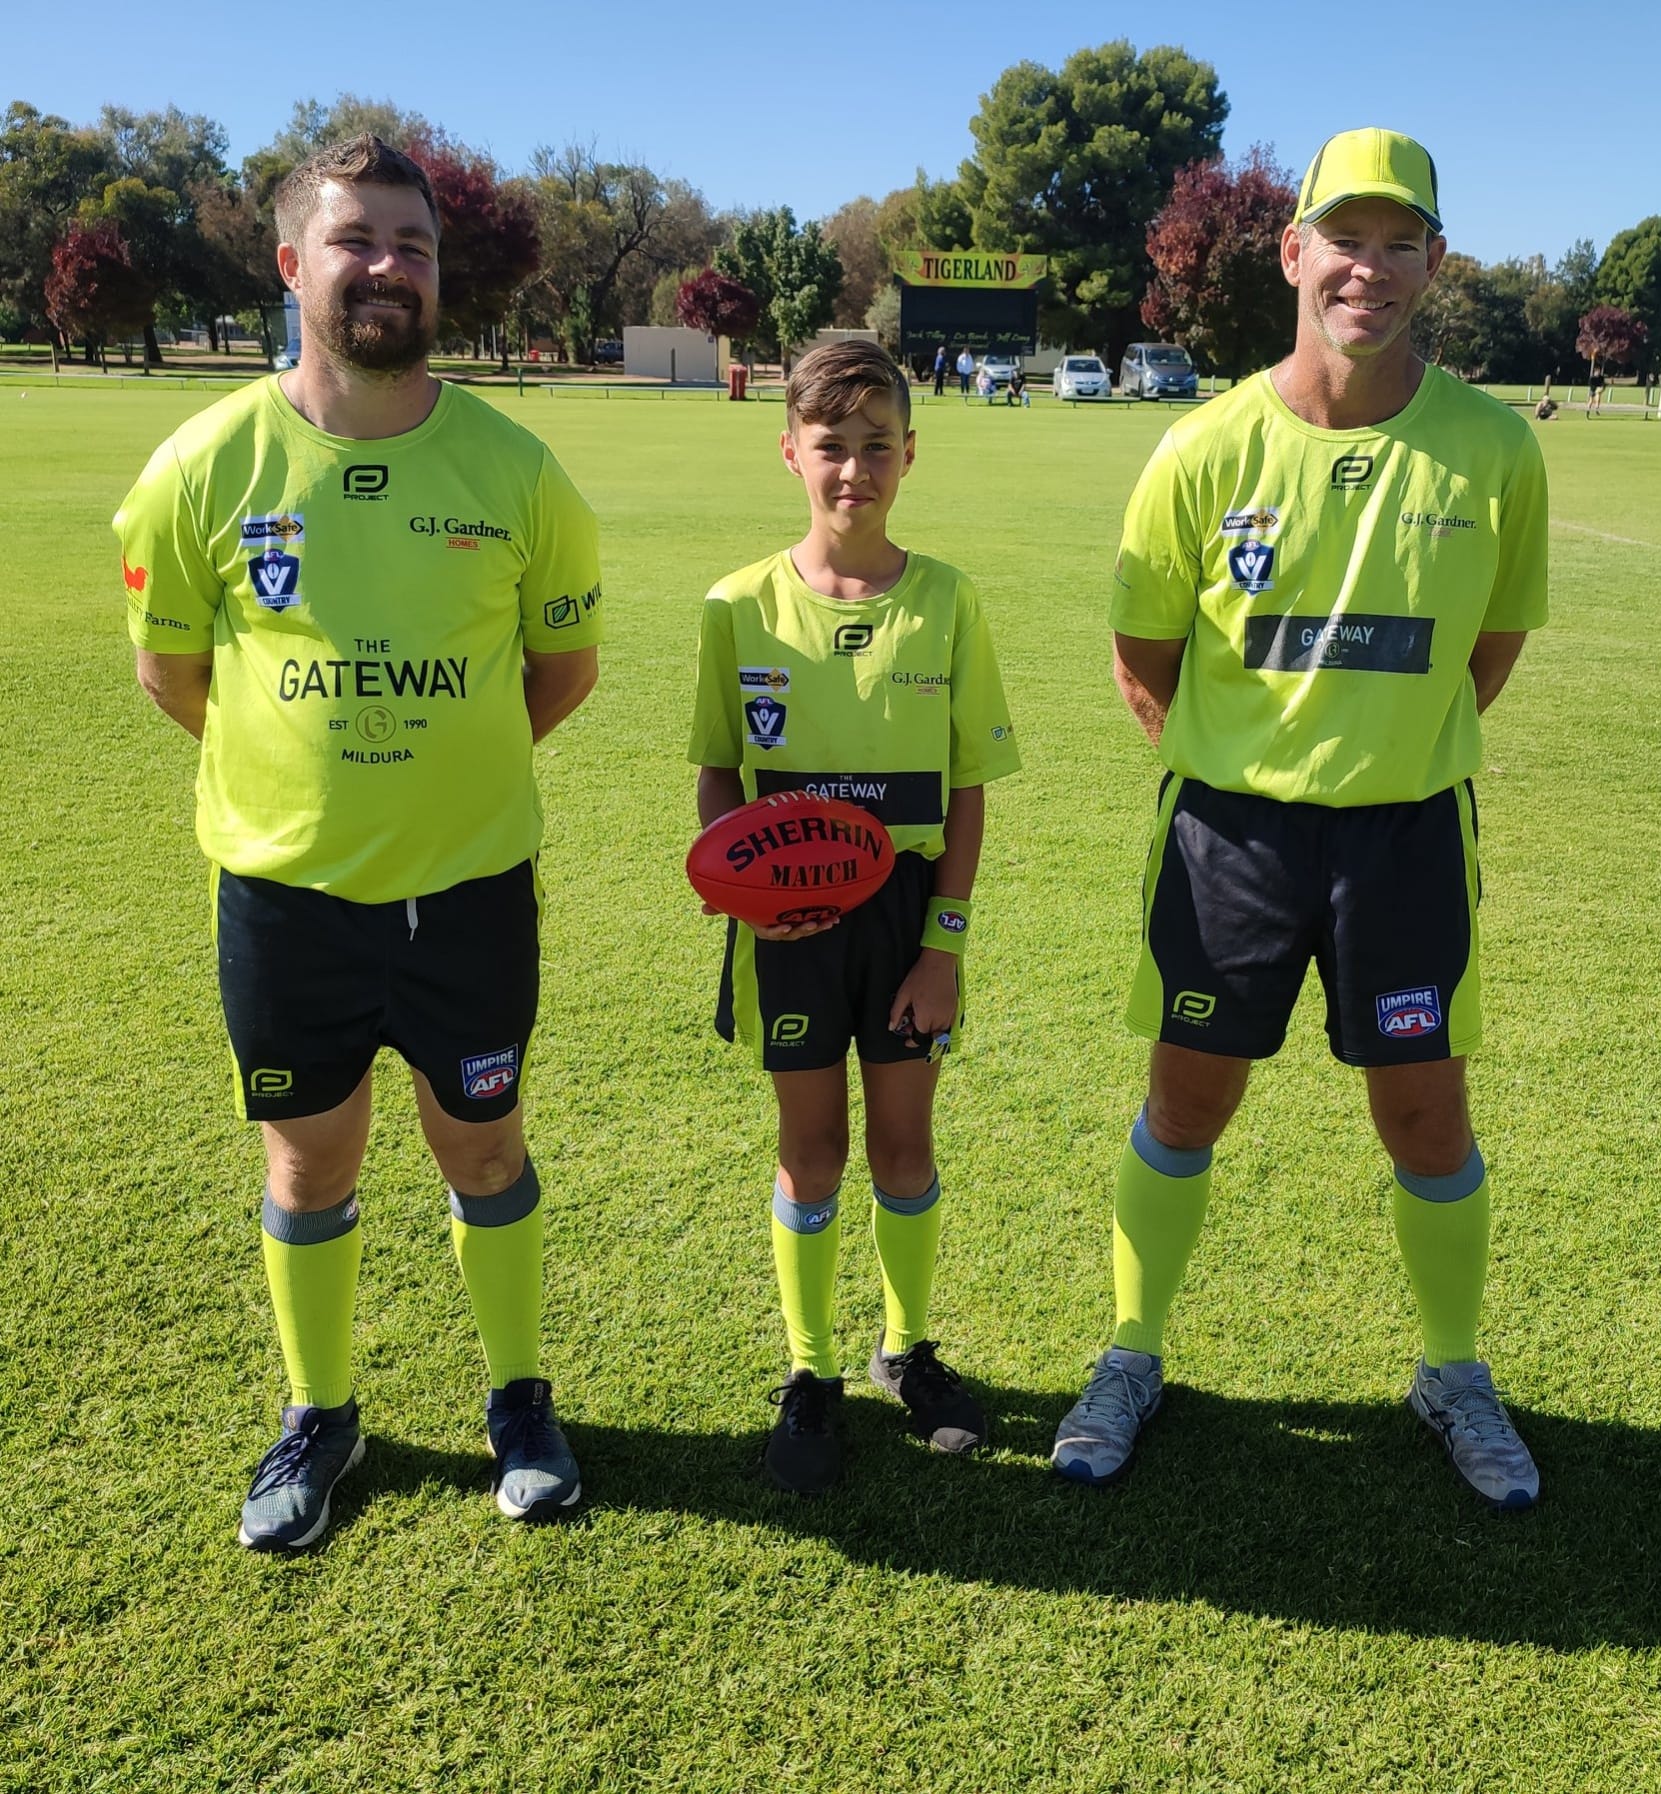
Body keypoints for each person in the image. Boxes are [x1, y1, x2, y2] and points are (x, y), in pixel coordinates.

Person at [114, 135, 605, 1551]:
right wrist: (302, 786)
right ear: (290, 262)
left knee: (487, 1146)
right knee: (307, 1163)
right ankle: (322, 1415)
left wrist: (437, 783)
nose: (388, 266)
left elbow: (556, 679)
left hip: (466, 895)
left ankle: (518, 1395)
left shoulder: (518, 472)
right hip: (286, 899)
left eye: (413, 244)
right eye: (357, 240)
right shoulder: (202, 468)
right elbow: (175, 676)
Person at [1052, 127, 1549, 1510]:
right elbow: (1142, 662)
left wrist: (1378, 752)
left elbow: (1485, 655)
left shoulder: (1495, 449)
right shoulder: (1202, 446)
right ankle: (1134, 1348)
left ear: (1433, 265)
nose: (1369, 271)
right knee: (1185, 1099)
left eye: (1401, 245)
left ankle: (1450, 1368)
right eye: (1345, 238)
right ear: (1292, 253)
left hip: (1405, 838)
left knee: (1426, 1118)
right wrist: (1253, 765)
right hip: (1231, 840)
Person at [688, 341, 1022, 1493]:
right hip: (785, 930)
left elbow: (967, 789)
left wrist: (946, 945)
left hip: (905, 920)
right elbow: (719, 781)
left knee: (904, 1144)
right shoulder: (738, 607)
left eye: (878, 446)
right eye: (831, 446)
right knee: (810, 1148)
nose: (853, 470)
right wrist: (747, 898)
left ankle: (905, 1349)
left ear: (910, 457)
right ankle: (809, 1369)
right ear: (791, 453)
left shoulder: (948, 602)